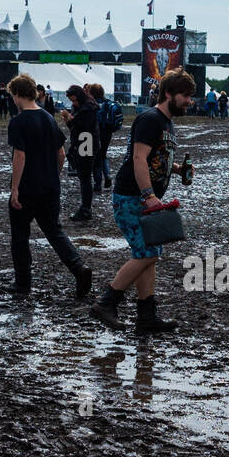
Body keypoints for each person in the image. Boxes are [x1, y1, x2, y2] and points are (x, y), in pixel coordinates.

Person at [90, 68, 194, 332]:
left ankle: (146, 317)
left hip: (143, 197)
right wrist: (148, 196)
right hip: (131, 197)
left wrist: (178, 169)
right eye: (185, 95)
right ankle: (107, 302)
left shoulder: (166, 122)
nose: (189, 101)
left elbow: (153, 160)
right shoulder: (150, 119)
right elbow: (137, 159)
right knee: (147, 253)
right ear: (168, 93)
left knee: (149, 253)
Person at [6, 73, 93, 298]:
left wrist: (14, 188)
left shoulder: (18, 121)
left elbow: (20, 156)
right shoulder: (48, 117)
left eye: (12, 96)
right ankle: (79, 269)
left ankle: (23, 283)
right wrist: (54, 175)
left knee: (20, 235)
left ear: (17, 94)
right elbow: (61, 153)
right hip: (50, 188)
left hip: (26, 188)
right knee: (55, 232)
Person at [60, 84, 100, 222]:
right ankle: (85, 208)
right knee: (84, 177)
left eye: (75, 100)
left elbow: (81, 128)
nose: (73, 103)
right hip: (85, 142)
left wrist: (70, 120)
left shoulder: (87, 110)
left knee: (85, 178)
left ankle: (86, 209)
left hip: (86, 143)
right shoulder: (85, 107)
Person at [92, 83, 122, 191]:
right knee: (103, 154)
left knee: (96, 157)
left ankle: (97, 183)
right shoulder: (108, 103)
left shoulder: (93, 104)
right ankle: (107, 175)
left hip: (96, 132)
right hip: (107, 132)